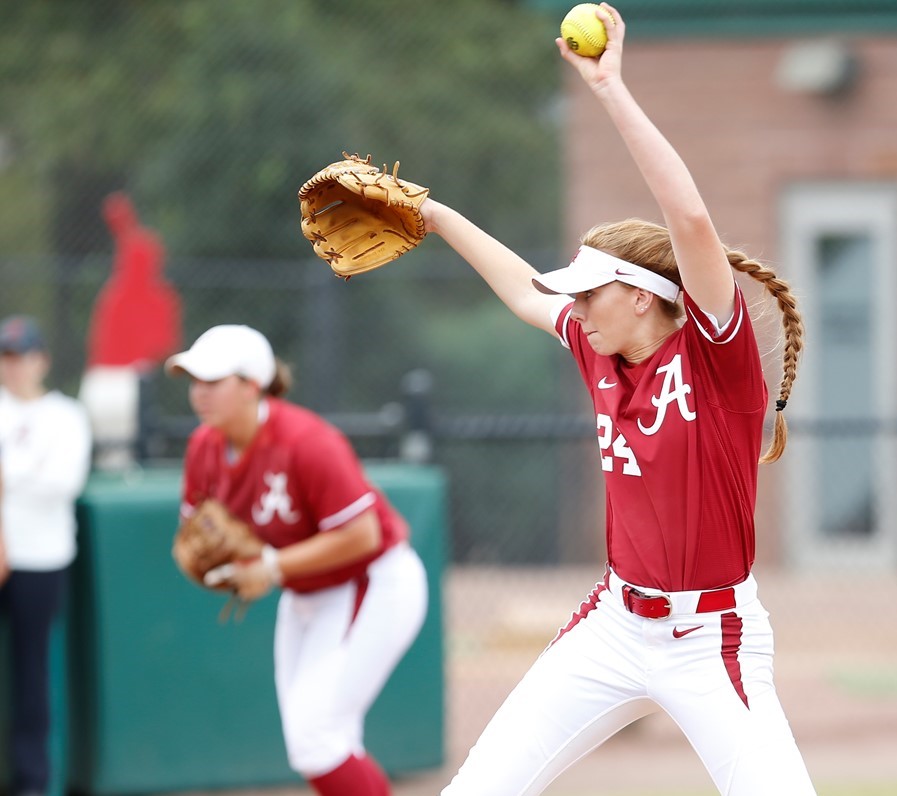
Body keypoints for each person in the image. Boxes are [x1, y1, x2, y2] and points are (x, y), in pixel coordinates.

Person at [433, 5, 814, 793]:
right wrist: (430, 212)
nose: (573, 306)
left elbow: (691, 221)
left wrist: (609, 90)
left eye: (590, 292)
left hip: (712, 638)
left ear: (642, 298)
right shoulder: (594, 345)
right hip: (613, 625)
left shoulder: (715, 359)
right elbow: (520, 287)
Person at [164, 324, 427, 796]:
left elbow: (361, 535)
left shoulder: (306, 441)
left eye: (212, 380)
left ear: (250, 385)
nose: (198, 392)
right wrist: (226, 567)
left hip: (371, 581)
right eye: (193, 381)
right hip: (306, 593)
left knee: (316, 738)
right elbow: (196, 530)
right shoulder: (204, 447)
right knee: (317, 739)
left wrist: (269, 567)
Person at [0, 315, 92, 796]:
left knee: (31, 670)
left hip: (42, 556)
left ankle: (32, 781)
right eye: (6, 358)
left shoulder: (66, 415)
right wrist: (25, 472)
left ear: (42, 361)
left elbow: (63, 482)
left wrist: (6, 475)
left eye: (22, 357)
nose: (13, 368)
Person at [80, 192, 182, 470]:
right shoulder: (119, 294)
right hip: (104, 375)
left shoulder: (153, 297)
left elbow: (163, 346)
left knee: (122, 455)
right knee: (103, 451)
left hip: (128, 377)